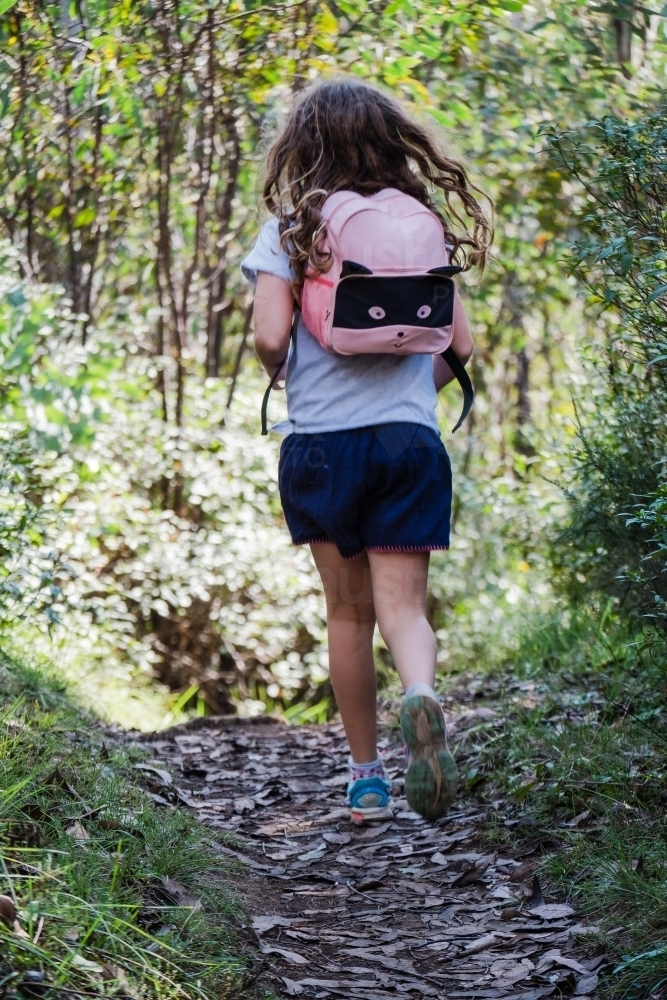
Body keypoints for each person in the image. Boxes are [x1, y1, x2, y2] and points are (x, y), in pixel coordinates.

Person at [241, 78, 492, 824]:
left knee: (348, 615)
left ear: (303, 146)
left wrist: (282, 373)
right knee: (402, 608)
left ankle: (367, 780)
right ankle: (420, 697)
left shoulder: (293, 228)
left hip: (321, 445)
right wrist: (413, 399)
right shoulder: (421, 225)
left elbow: (266, 337)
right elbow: (463, 345)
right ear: (392, 140)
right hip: (408, 441)